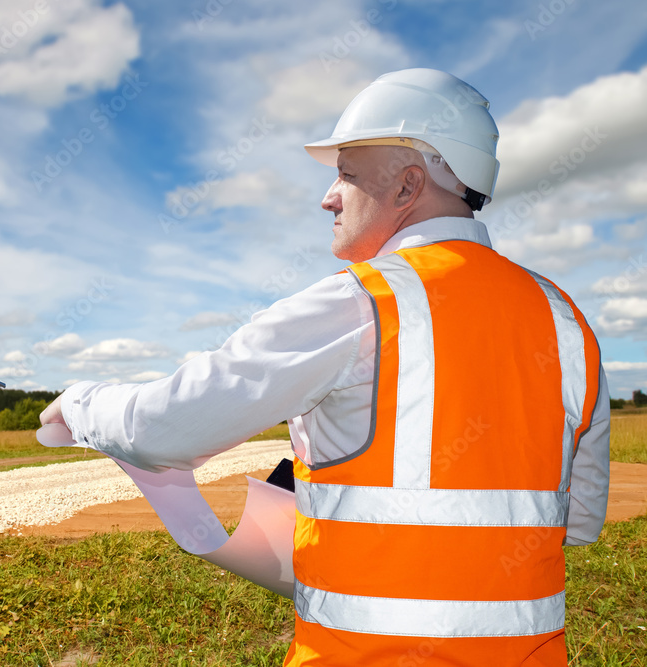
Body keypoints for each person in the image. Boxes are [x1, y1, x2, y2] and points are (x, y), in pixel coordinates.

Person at [40, 68, 610, 666]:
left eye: (346, 173)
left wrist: (79, 402)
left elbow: (162, 430)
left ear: (408, 185)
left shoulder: (359, 302)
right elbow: (578, 523)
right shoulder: (566, 321)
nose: (328, 196)